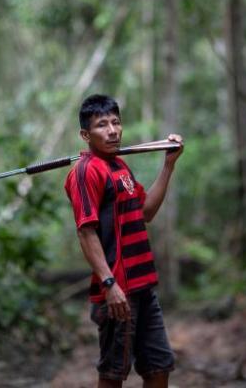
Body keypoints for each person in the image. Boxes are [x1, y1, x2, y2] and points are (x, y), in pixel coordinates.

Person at [64, 94, 183, 388]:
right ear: (85, 134)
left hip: (143, 288)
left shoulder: (119, 167)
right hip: (117, 291)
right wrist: (109, 284)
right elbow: (86, 231)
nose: (113, 130)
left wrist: (168, 165)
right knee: (113, 375)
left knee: (159, 368)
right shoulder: (86, 171)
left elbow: (147, 212)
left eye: (116, 123)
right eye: (102, 125)